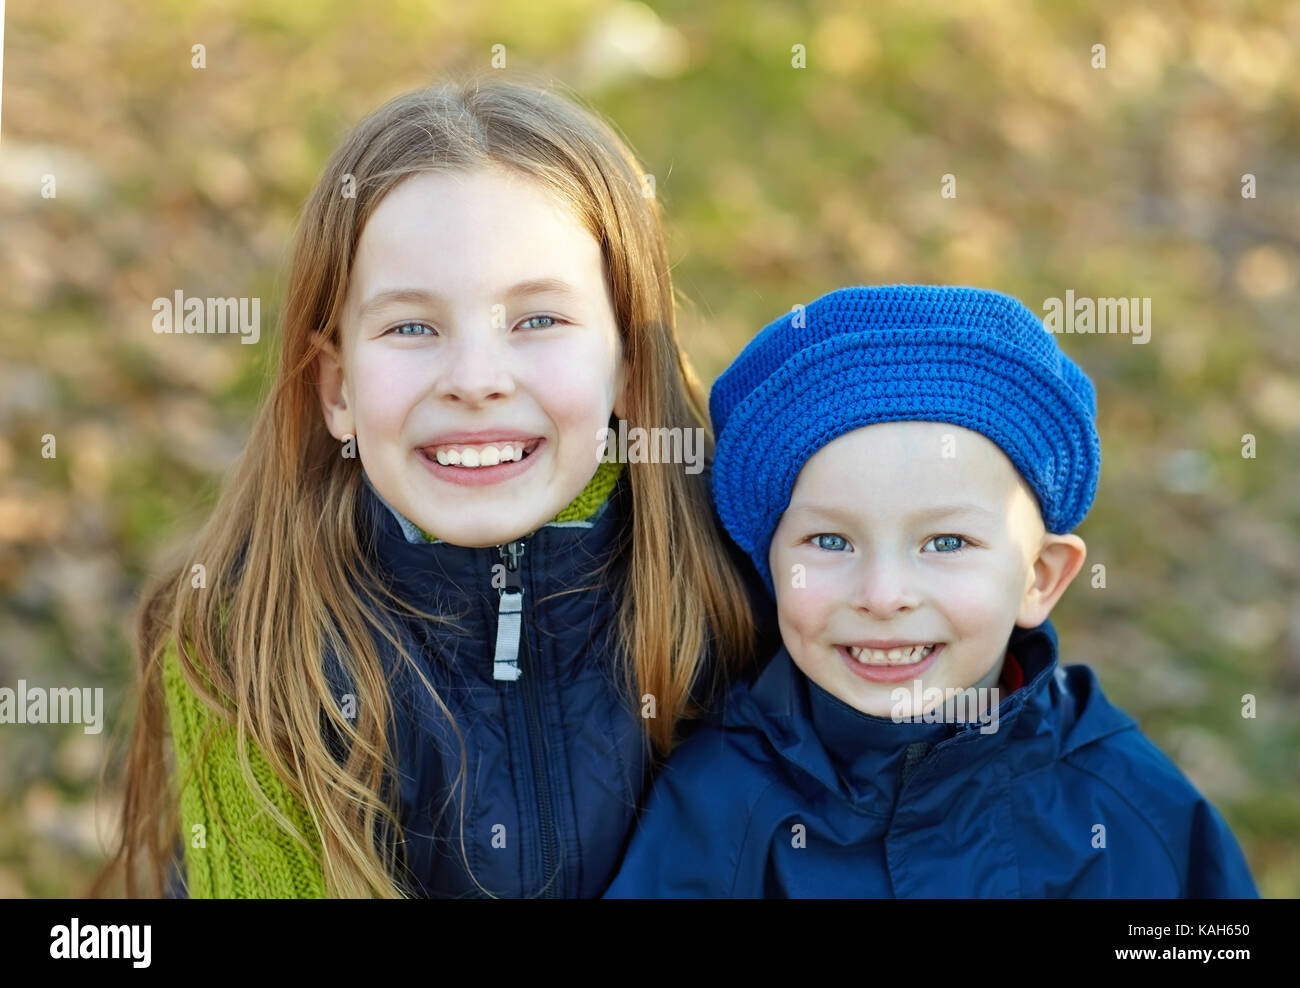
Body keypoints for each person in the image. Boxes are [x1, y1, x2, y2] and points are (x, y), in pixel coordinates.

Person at [92, 77, 775, 898]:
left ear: (630, 366)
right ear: (337, 388)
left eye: (537, 320)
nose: (476, 380)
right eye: (412, 327)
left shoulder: (734, 580)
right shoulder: (250, 643)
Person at [604, 285, 1259, 898]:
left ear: (1040, 577)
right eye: (831, 542)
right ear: (770, 569)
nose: (884, 595)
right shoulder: (715, 808)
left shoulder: (1132, 810)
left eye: (946, 544)